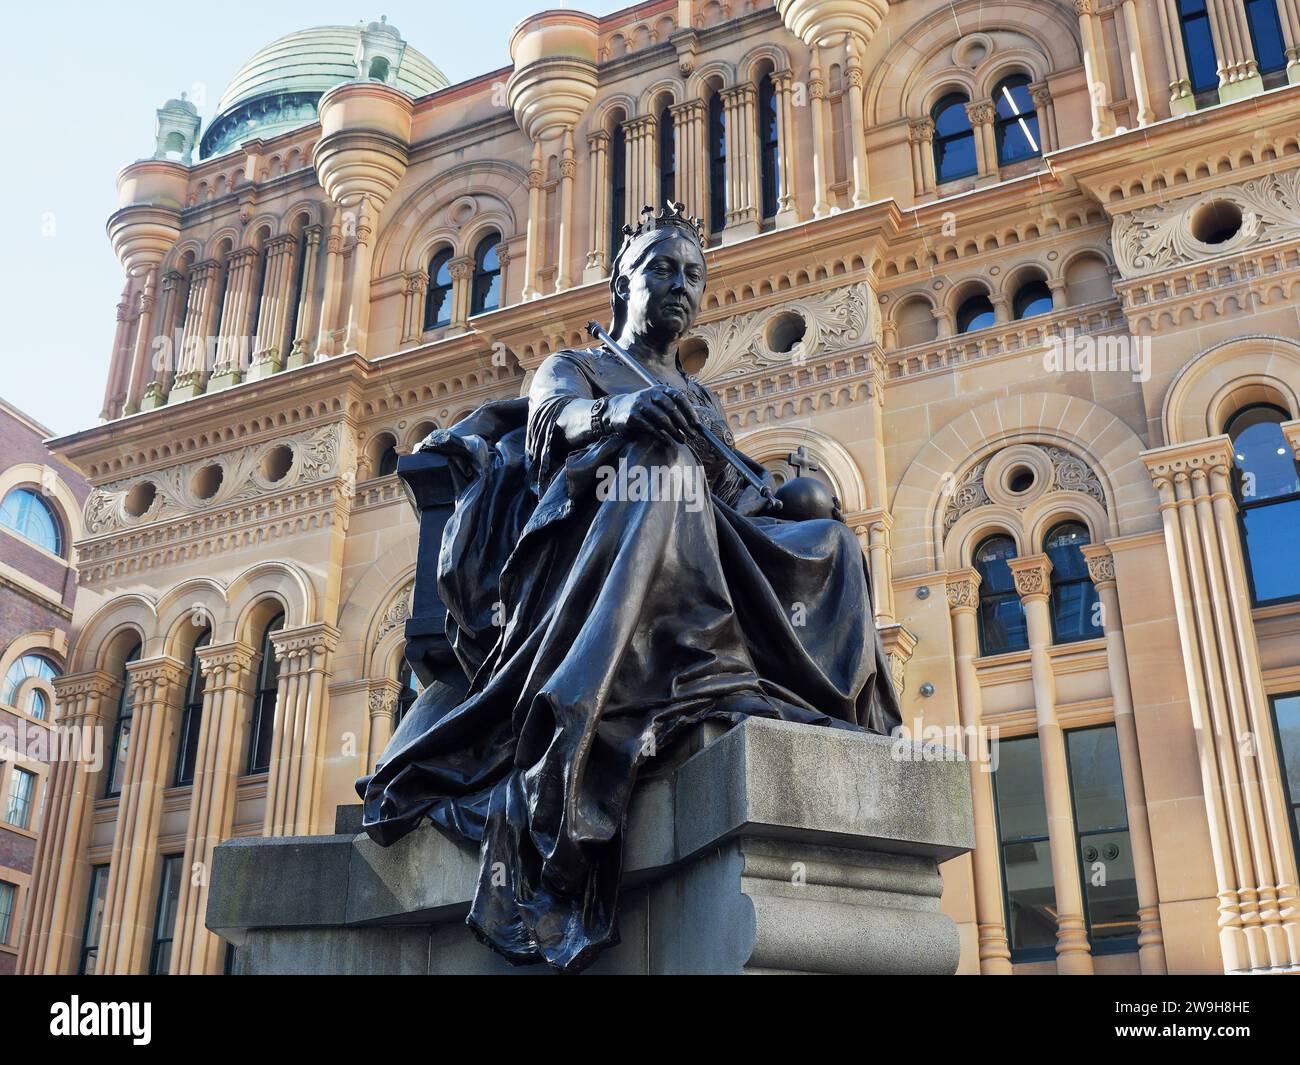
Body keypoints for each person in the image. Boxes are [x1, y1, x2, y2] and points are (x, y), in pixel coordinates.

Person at [357, 203, 900, 972]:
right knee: (662, 472)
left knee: (831, 539)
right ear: (622, 282)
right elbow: (553, 428)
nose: (680, 286)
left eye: (692, 275)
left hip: (697, 551)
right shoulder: (578, 366)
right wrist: (625, 411)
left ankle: (808, 698)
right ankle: (582, 719)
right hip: (584, 565)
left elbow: (732, 498)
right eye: (662, 270)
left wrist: (786, 501)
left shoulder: (702, 398)